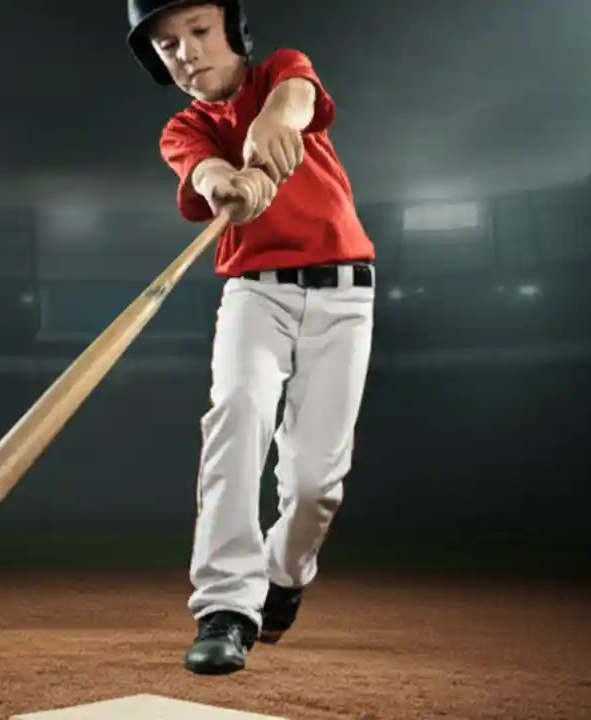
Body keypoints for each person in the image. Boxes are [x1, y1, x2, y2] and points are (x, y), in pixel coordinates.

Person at [125, 0, 378, 675]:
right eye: (167, 45)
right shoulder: (183, 128)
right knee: (237, 413)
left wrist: (272, 125)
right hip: (255, 293)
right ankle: (226, 608)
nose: (186, 53)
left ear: (234, 30)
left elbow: (294, 102)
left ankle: (284, 575)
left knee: (316, 481)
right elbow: (200, 171)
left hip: (345, 294)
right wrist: (225, 181)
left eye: (200, 32)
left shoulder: (280, 74)